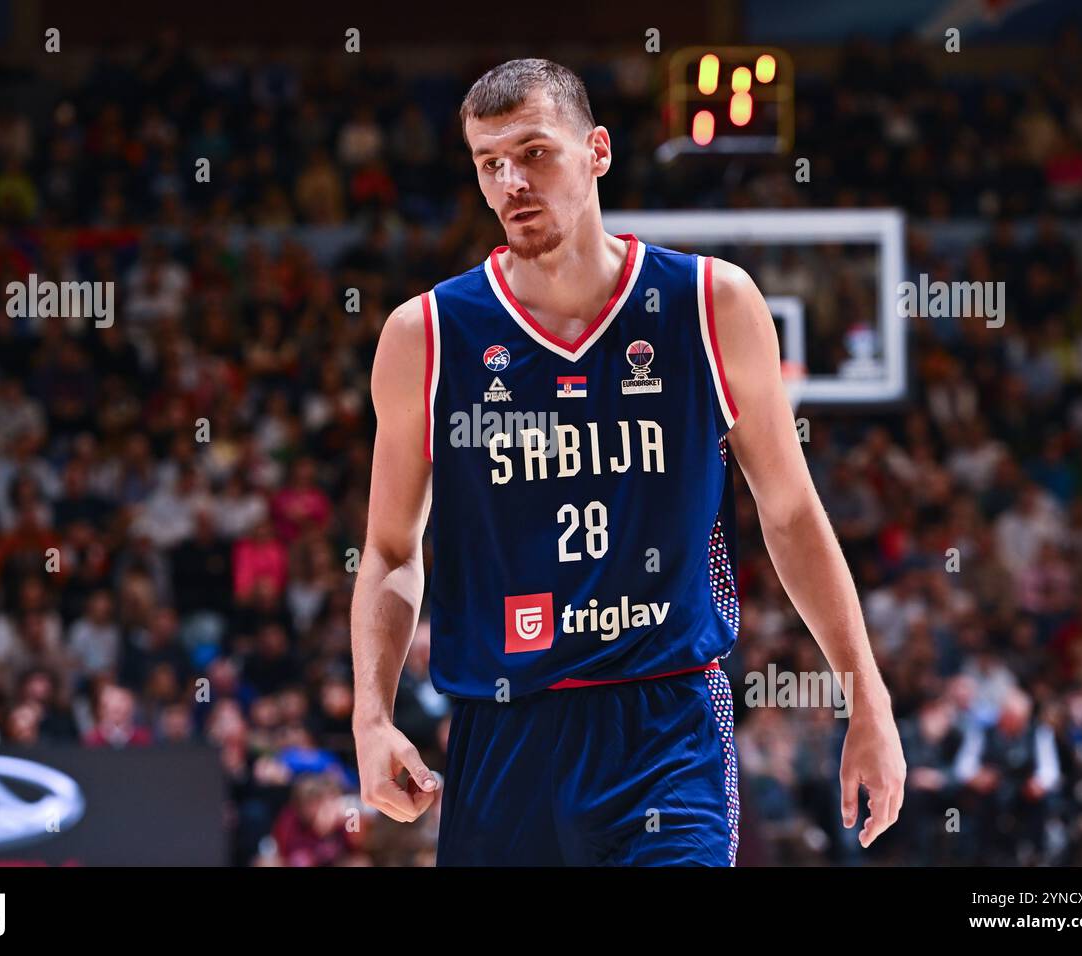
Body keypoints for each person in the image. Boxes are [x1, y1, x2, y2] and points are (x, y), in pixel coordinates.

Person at [351, 58, 905, 865]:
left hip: (665, 724)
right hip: (503, 733)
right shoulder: (425, 337)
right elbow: (393, 551)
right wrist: (371, 719)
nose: (511, 182)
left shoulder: (711, 305)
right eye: (489, 164)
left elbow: (789, 514)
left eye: (534, 152)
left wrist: (869, 698)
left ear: (597, 152)